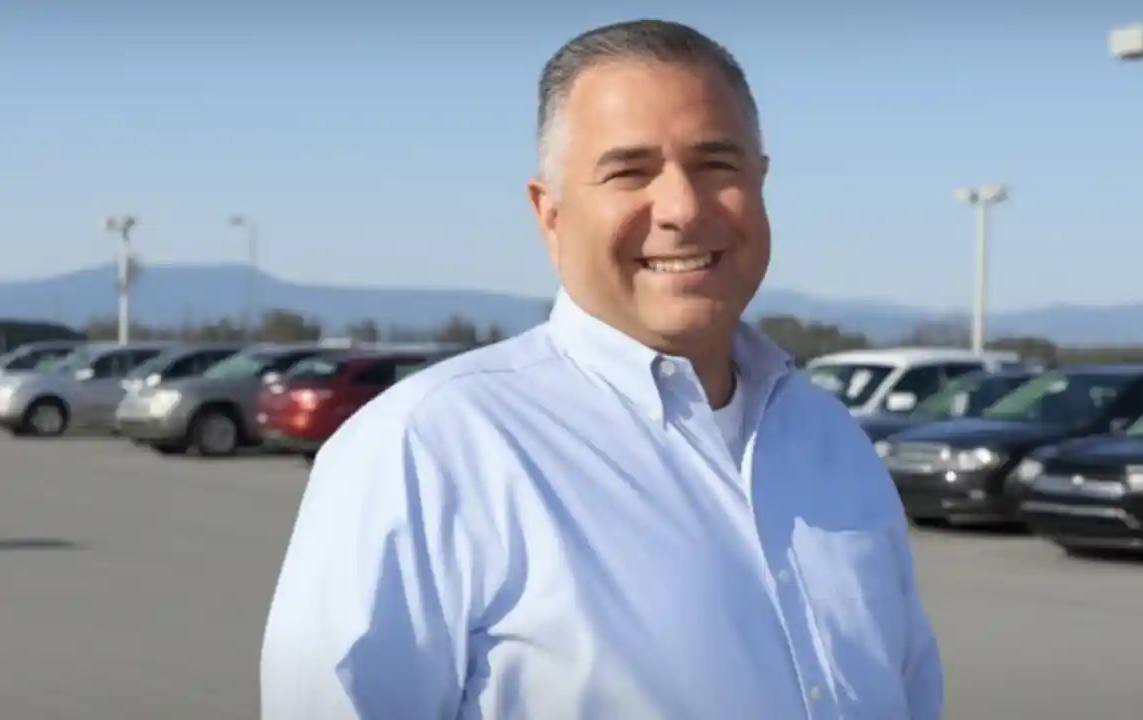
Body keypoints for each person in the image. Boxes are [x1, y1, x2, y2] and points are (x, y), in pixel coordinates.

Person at [260, 18, 943, 719]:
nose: (681, 207)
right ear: (550, 215)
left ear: (761, 182)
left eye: (716, 165)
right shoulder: (430, 449)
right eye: (629, 172)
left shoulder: (831, 441)